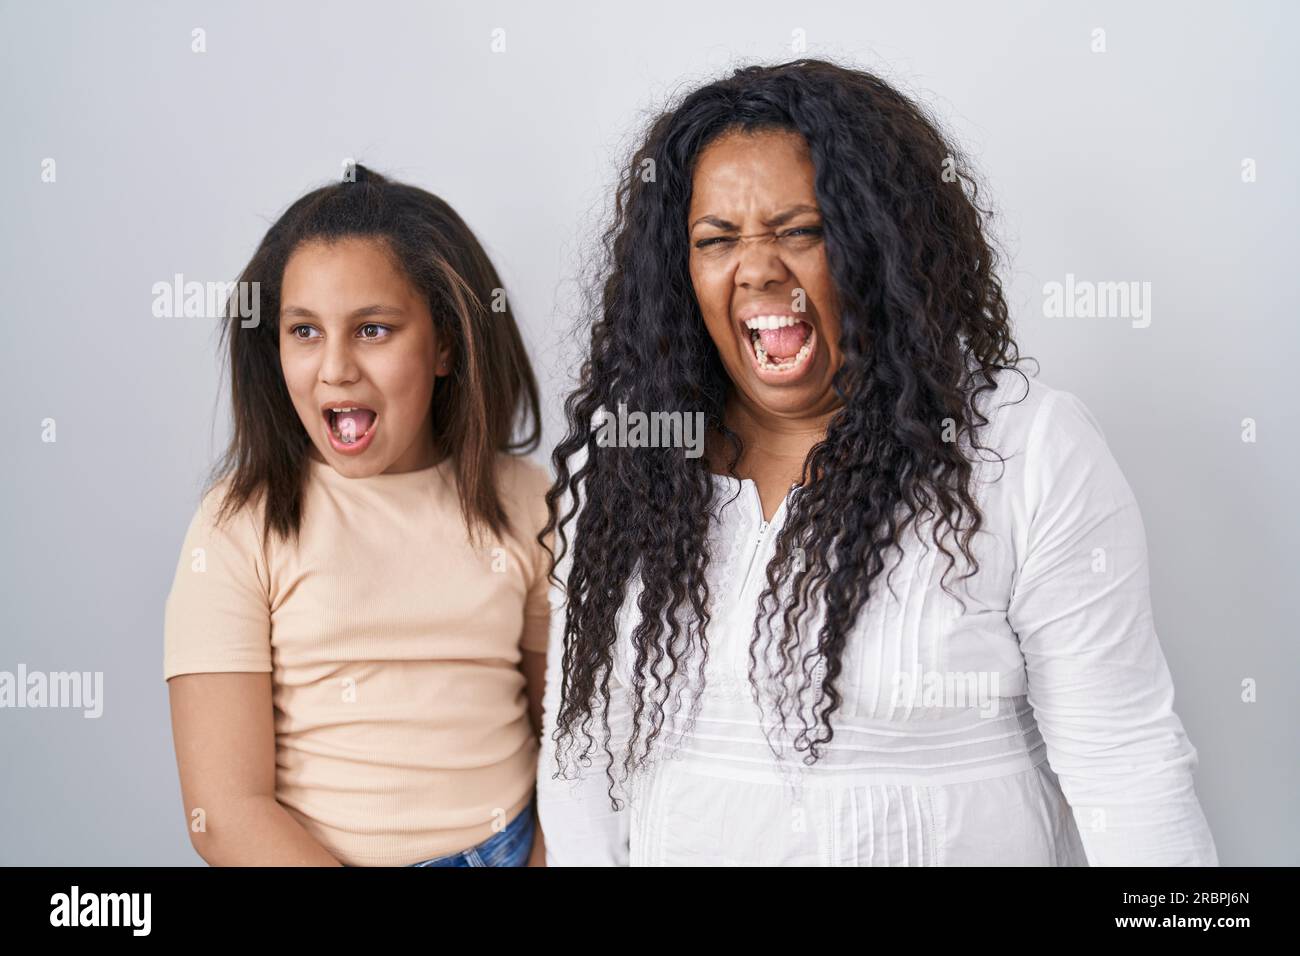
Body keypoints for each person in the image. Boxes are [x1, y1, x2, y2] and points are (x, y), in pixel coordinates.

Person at [536, 59, 1218, 866]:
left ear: (880, 244)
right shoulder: (634, 464)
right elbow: (582, 765)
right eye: (716, 240)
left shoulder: (1023, 451)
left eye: (801, 230)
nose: (756, 268)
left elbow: (1126, 770)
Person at [164, 165, 552, 866]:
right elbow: (223, 813)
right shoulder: (237, 526)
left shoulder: (527, 503)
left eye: (372, 329)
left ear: (443, 346)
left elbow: (568, 740)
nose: (335, 368)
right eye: (304, 331)